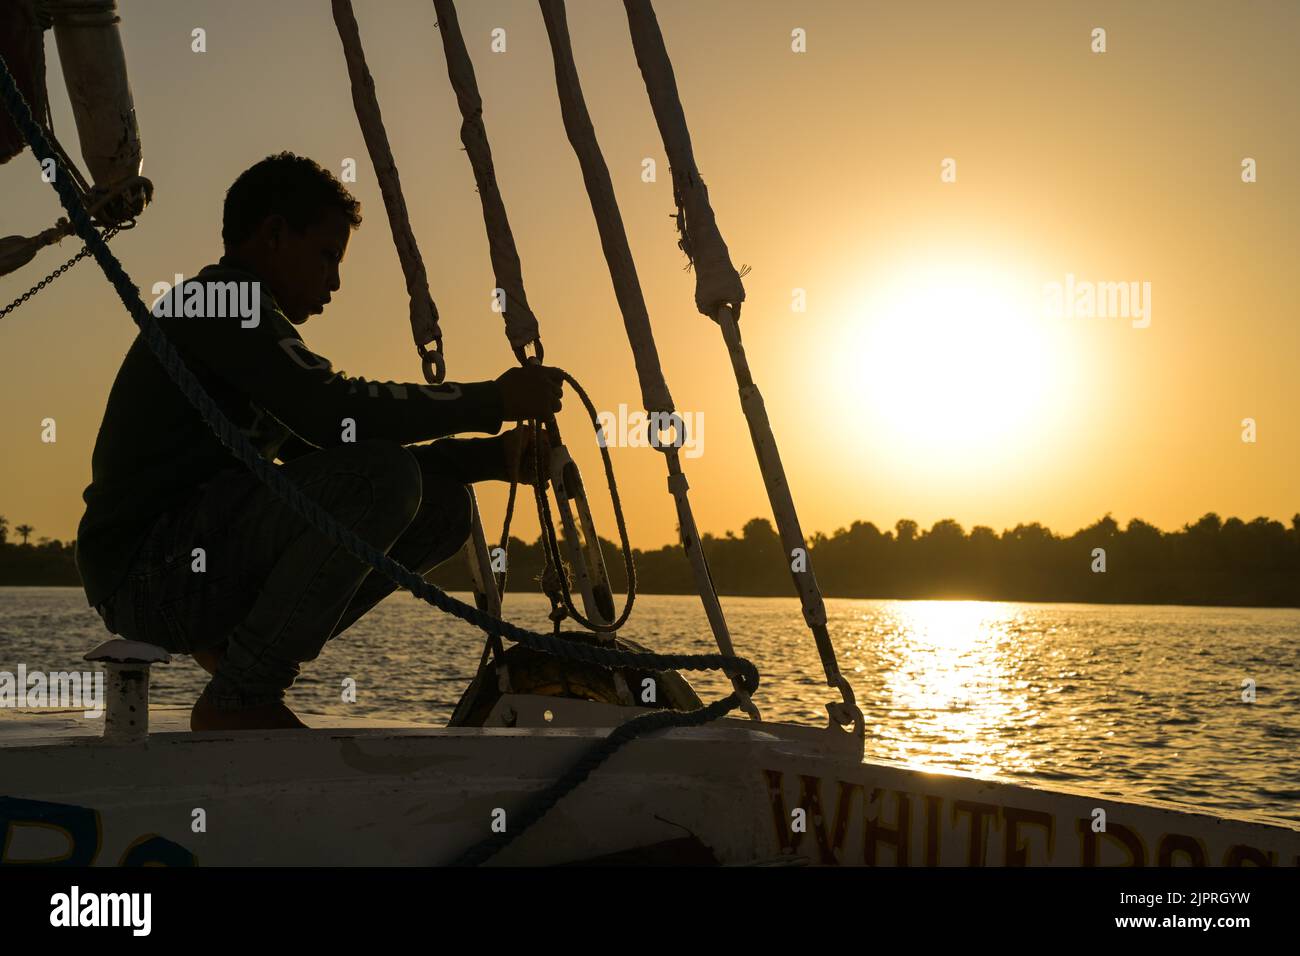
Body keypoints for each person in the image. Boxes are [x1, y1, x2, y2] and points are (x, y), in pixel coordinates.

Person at [76, 152, 562, 731]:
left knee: (443, 507)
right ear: (276, 233)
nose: (335, 281)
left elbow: (329, 460)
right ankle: (244, 694)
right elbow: (337, 414)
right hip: (148, 574)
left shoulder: (248, 330)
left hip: (188, 565)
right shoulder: (220, 306)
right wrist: (493, 401)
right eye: (328, 256)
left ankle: (240, 663)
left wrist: (490, 458)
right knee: (385, 479)